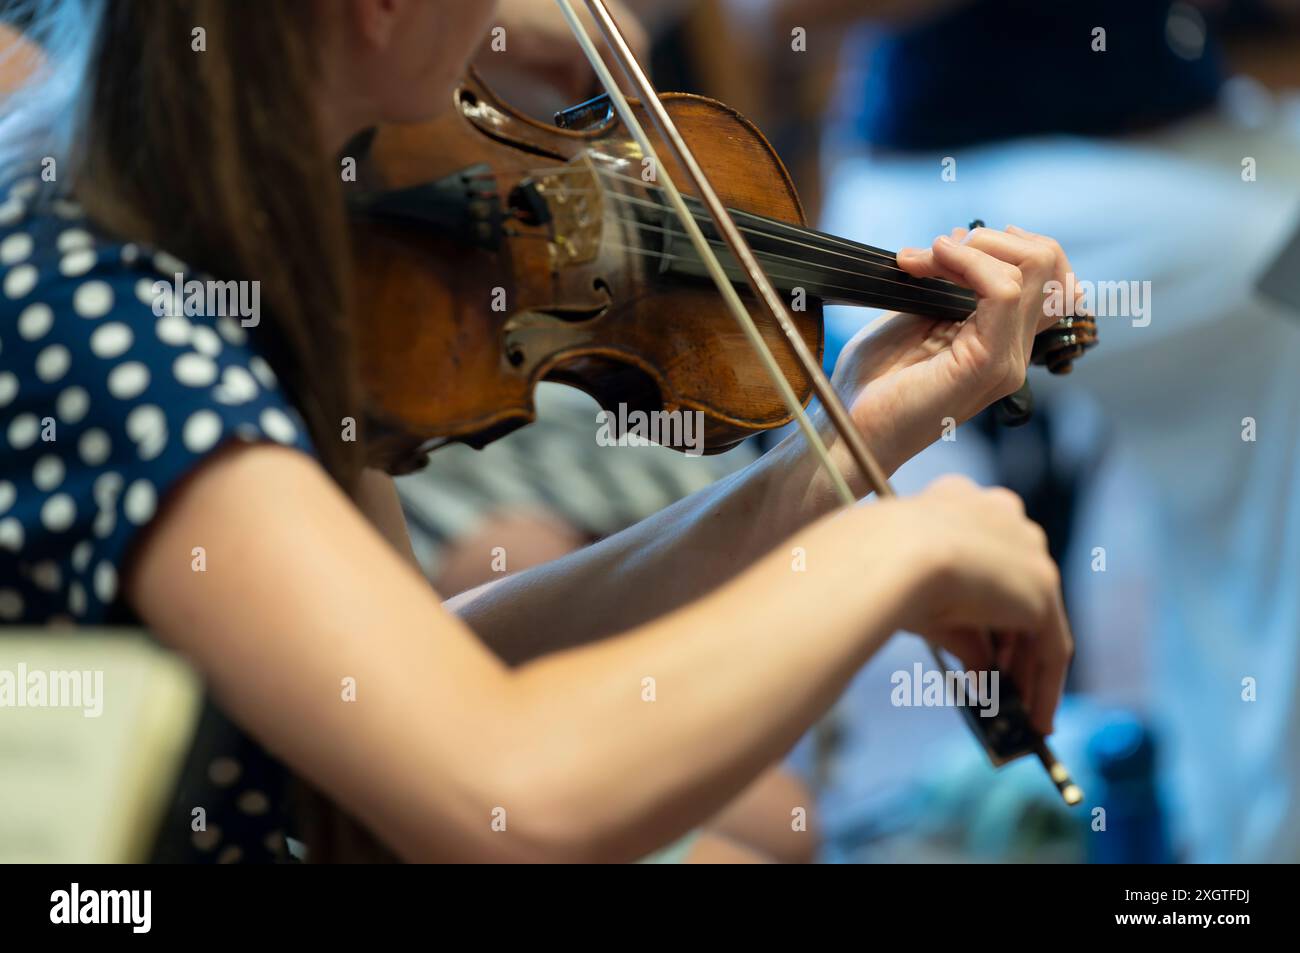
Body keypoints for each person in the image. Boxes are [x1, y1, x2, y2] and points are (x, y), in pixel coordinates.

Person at [0, 0, 1075, 863]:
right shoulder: (115, 325)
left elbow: (417, 679)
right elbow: (502, 795)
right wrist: (892, 550)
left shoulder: (249, 249)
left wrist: (849, 443)